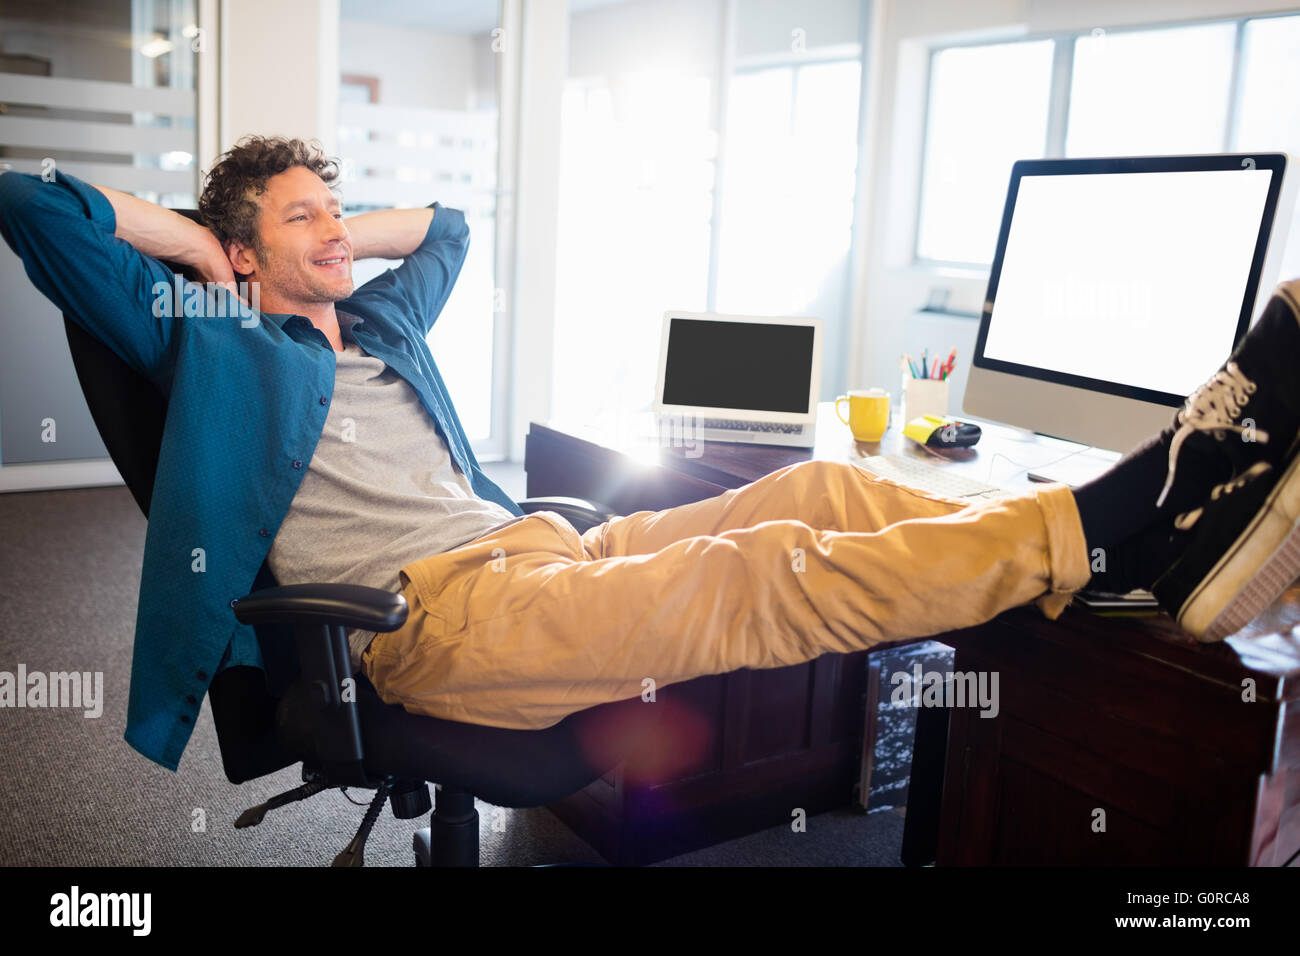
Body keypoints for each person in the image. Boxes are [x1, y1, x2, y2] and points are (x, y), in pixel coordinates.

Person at [1, 135, 1297, 770]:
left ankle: (1128, 553)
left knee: (829, 484)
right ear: (234, 254)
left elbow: (447, 227)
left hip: (545, 550)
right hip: (432, 621)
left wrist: (323, 235)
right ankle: (1124, 518)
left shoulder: (379, 323)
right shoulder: (210, 344)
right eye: (307, 219)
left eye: (340, 210)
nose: (342, 233)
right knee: (766, 566)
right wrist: (206, 248)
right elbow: (34, 211)